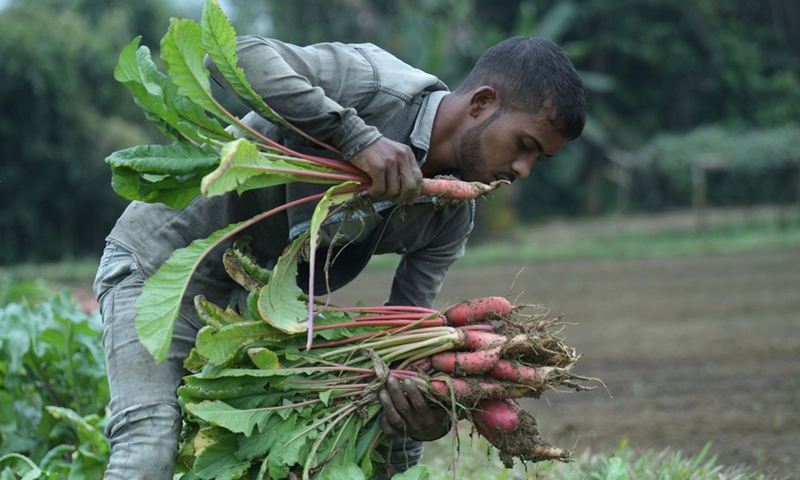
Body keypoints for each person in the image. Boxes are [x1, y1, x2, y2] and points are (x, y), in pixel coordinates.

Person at [93, 34, 586, 479]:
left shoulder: (451, 214)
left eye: (537, 158)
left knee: (388, 447)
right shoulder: (375, 84)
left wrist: (426, 411)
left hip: (262, 314)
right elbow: (233, 56)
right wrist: (356, 138)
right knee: (150, 447)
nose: (523, 169)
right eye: (524, 145)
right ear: (481, 102)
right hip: (167, 272)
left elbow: (407, 326)